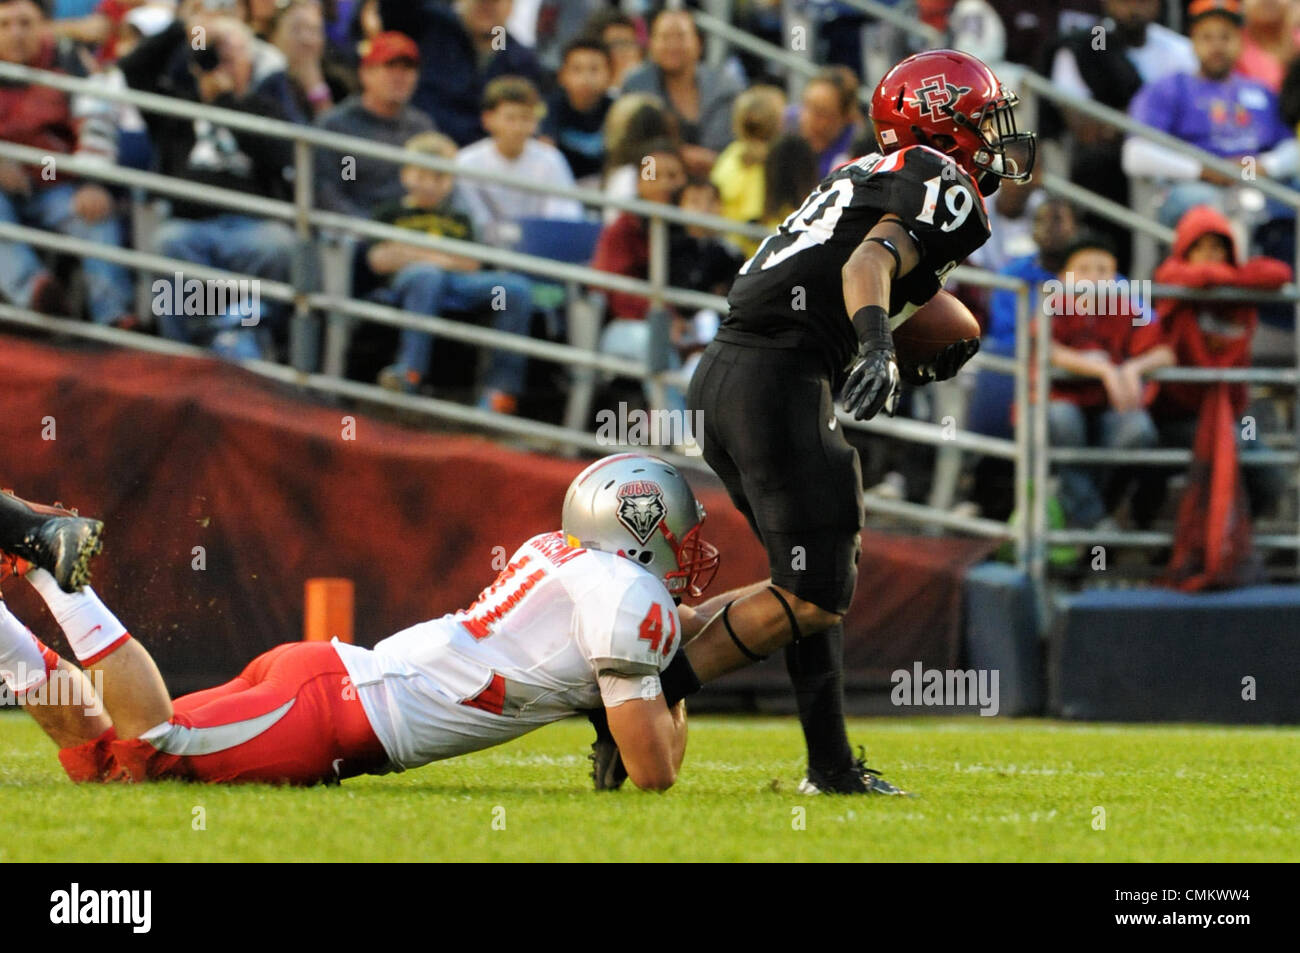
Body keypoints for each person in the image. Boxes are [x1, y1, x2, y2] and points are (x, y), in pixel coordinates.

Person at [591, 50, 1036, 796]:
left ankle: (829, 768)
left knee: (805, 583)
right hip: (779, 377)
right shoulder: (942, 179)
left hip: (728, 372)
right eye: (982, 118)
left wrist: (900, 323)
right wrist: (876, 343)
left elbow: (854, 263)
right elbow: (865, 263)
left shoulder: (863, 171)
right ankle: (645, 695)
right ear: (941, 119)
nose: (995, 135)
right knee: (810, 596)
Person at [0, 454, 716, 790]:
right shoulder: (630, 598)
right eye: (682, 533)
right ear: (642, 527)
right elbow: (654, 772)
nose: (689, 551)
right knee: (153, 743)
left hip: (333, 681)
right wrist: (673, 677)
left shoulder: (564, 558)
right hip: (338, 713)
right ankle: (42, 557)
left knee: (108, 765)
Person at [118, 10, 296, 359]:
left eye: (234, 52)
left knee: (282, 248)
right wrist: (184, 27)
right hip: (190, 226)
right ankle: (211, 342)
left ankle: (227, 337)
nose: (223, 60)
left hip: (254, 226)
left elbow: (280, 156)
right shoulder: (178, 107)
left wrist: (226, 102)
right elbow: (132, 70)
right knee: (169, 243)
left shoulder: (265, 109)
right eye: (216, 52)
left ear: (251, 61)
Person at [365, 131, 535, 415]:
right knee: (427, 275)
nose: (430, 185)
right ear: (406, 174)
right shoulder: (389, 212)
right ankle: (409, 373)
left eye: (439, 177)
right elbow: (379, 260)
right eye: (422, 175)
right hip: (408, 284)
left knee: (514, 288)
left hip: (457, 284)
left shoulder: (460, 218)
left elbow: (472, 263)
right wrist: (438, 257)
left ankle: (500, 392)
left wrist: (411, 252)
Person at [0, 0, 134, 328]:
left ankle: (115, 321)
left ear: (44, 25)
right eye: (4, 25)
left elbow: (97, 121)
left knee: (95, 213)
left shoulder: (70, 59)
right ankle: (37, 295)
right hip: (3, 192)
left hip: (58, 184)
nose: (16, 34)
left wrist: (94, 182)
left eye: (25, 23)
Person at [1122, 0, 1297, 228]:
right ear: (1192, 43)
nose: (1217, 46)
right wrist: (1203, 170)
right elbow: (1135, 155)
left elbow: (1293, 148)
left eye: (1225, 37)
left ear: (1240, 41)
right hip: (1192, 185)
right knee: (1214, 204)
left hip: (1255, 181)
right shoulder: (1170, 88)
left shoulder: (1260, 91)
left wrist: (1263, 166)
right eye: (1207, 37)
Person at [1043, 232, 1164, 530]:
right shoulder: (1053, 304)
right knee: (1063, 419)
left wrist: (1134, 368)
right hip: (1059, 408)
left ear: (1115, 277)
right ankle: (1094, 520)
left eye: (1103, 270)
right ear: (1063, 276)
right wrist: (1104, 370)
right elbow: (1047, 349)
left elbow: (1164, 352)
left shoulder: (1126, 307)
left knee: (1139, 429)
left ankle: (1075, 504)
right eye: (1083, 270)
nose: (1093, 278)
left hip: (1109, 412)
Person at [377, 0, 544, 148]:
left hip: (480, 162)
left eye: (494, 2)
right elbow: (395, 9)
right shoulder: (432, 24)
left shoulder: (517, 58)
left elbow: (528, 113)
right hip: (415, 143)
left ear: (510, 6)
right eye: (480, 2)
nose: (486, 7)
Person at [313, 30, 434, 218]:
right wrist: (369, 233)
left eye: (408, 68)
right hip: (356, 230)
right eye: (390, 66)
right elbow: (330, 193)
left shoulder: (422, 128)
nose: (399, 76)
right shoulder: (338, 126)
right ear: (365, 73)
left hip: (412, 228)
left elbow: (435, 188)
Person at [456, 75, 584, 249]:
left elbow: (565, 215)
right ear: (487, 119)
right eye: (510, 118)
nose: (518, 127)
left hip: (540, 251)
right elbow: (474, 220)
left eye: (525, 118)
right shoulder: (466, 162)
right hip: (486, 254)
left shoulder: (551, 159)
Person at [620, 8, 741, 177]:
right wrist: (678, 156)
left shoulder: (725, 87)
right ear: (651, 43)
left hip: (721, 178)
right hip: (653, 179)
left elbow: (736, 145)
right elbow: (629, 147)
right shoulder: (635, 87)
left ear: (699, 43)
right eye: (664, 37)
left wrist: (716, 161)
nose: (672, 45)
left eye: (681, 36)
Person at [539, 37, 614, 186]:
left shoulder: (618, 111)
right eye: (577, 69)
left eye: (594, 69)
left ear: (610, 75)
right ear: (562, 75)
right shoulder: (549, 108)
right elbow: (544, 155)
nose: (585, 78)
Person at [789, 66, 864, 179]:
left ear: (846, 117)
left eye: (821, 112)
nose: (806, 119)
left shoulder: (854, 159)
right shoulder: (785, 126)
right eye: (806, 106)